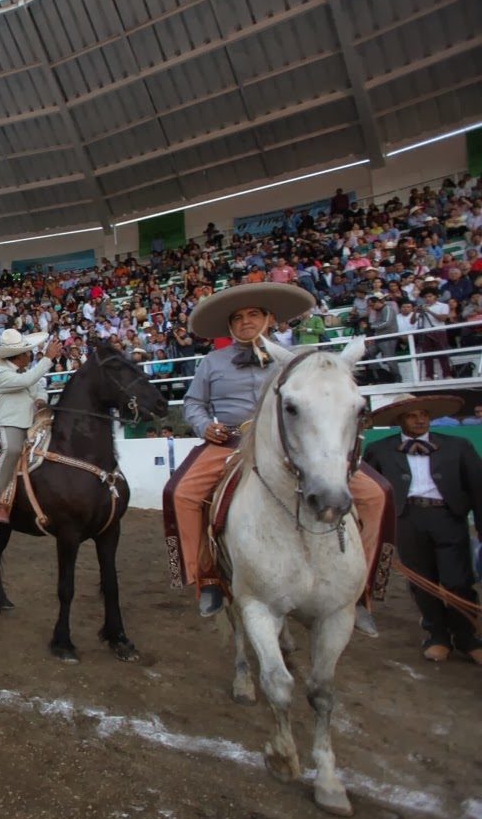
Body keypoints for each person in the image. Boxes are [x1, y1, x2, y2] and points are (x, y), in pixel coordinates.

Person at [162, 282, 391, 633]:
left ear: (269, 319)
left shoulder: (303, 358)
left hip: (291, 443)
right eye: (237, 318)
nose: (245, 322)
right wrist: (204, 426)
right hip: (231, 441)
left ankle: (360, 593)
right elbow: (193, 403)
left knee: (377, 494)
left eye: (253, 314)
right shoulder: (211, 361)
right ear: (229, 326)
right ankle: (207, 578)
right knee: (180, 493)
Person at [362, 394, 482, 665]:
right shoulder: (379, 450)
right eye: (412, 416)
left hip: (448, 518)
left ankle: (467, 638)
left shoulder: (458, 446)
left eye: (424, 414)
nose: (420, 420)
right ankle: (437, 636)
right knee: (421, 582)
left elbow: (478, 488)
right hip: (406, 520)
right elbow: (370, 490)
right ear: (399, 420)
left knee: (458, 581)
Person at [0, 328, 63, 524]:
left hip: (34, 422)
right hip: (10, 423)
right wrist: (48, 359)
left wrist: (40, 400)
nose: (30, 355)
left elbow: (39, 389)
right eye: (28, 352)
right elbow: (26, 381)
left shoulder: (24, 372)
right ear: (19, 356)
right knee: (12, 450)